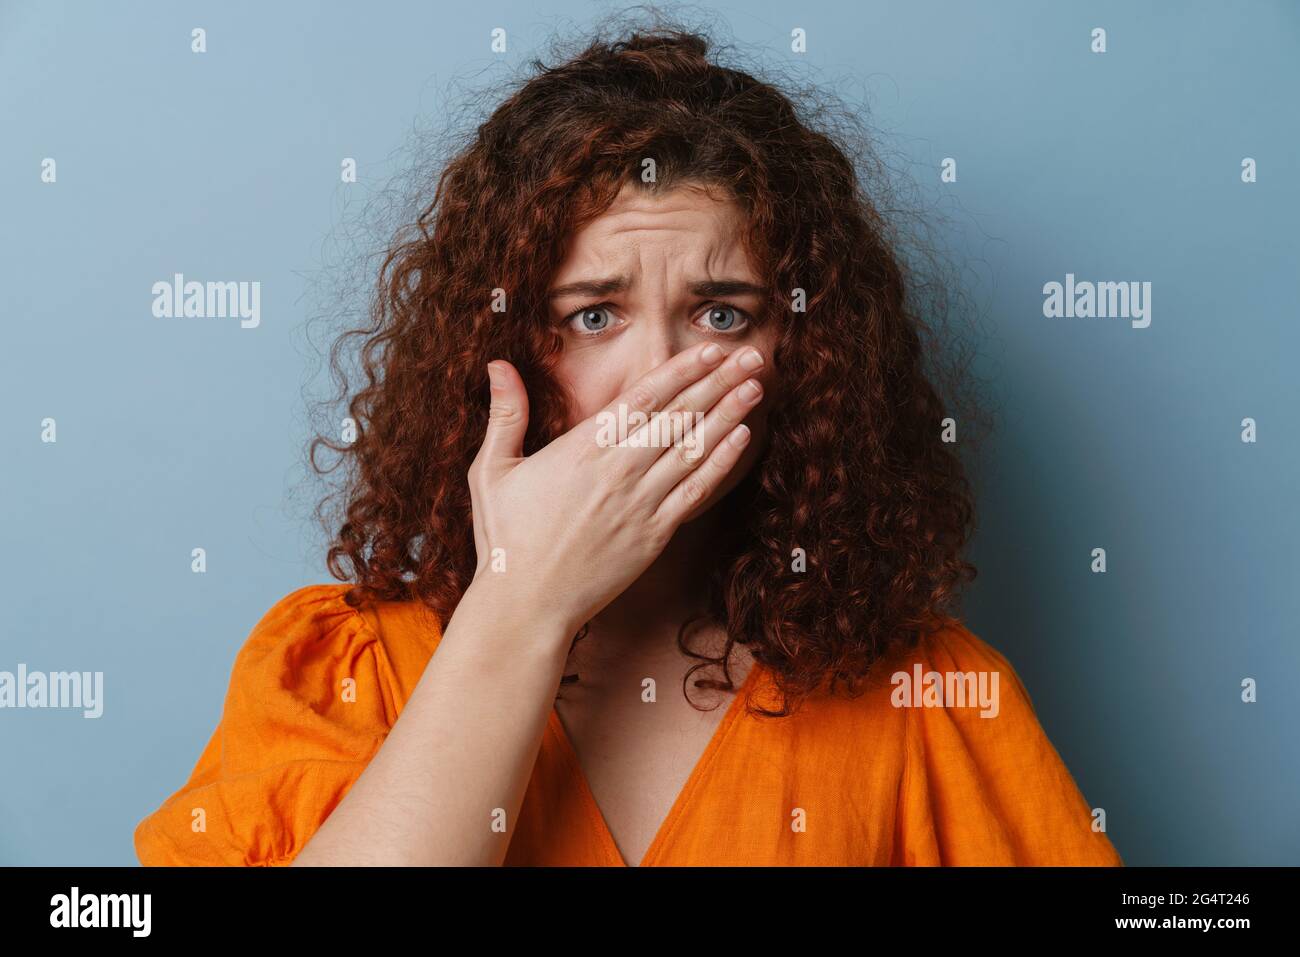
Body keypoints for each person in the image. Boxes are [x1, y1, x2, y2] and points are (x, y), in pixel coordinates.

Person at [133, 24, 1123, 867]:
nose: (659, 375)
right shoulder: (345, 669)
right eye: (595, 315)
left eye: (723, 315)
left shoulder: (927, 695)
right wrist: (524, 603)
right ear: (503, 345)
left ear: (805, 353)